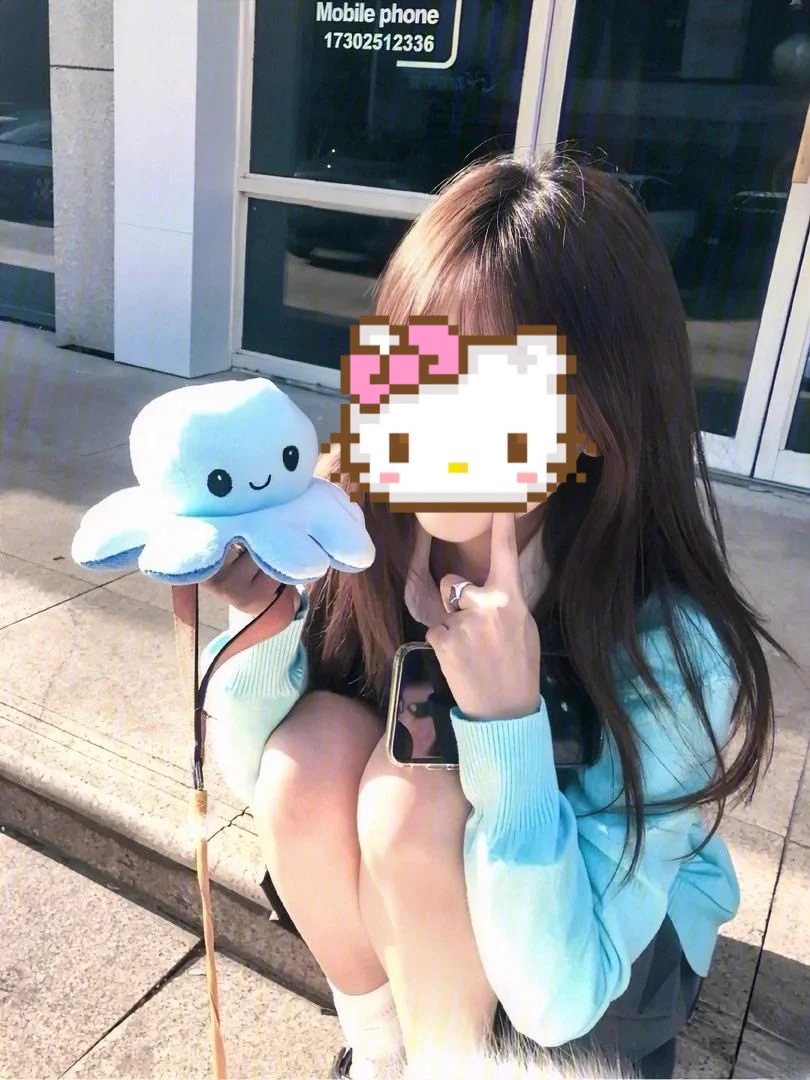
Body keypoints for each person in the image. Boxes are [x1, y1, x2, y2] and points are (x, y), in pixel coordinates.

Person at [200, 154, 785, 1080]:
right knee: (313, 754)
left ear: (593, 418)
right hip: (431, 906)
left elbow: (560, 992)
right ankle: (382, 1051)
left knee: (414, 800)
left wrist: (509, 722)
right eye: (411, 370)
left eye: (487, 394)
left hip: (596, 951)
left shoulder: (671, 646)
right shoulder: (359, 529)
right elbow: (268, 787)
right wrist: (266, 621)